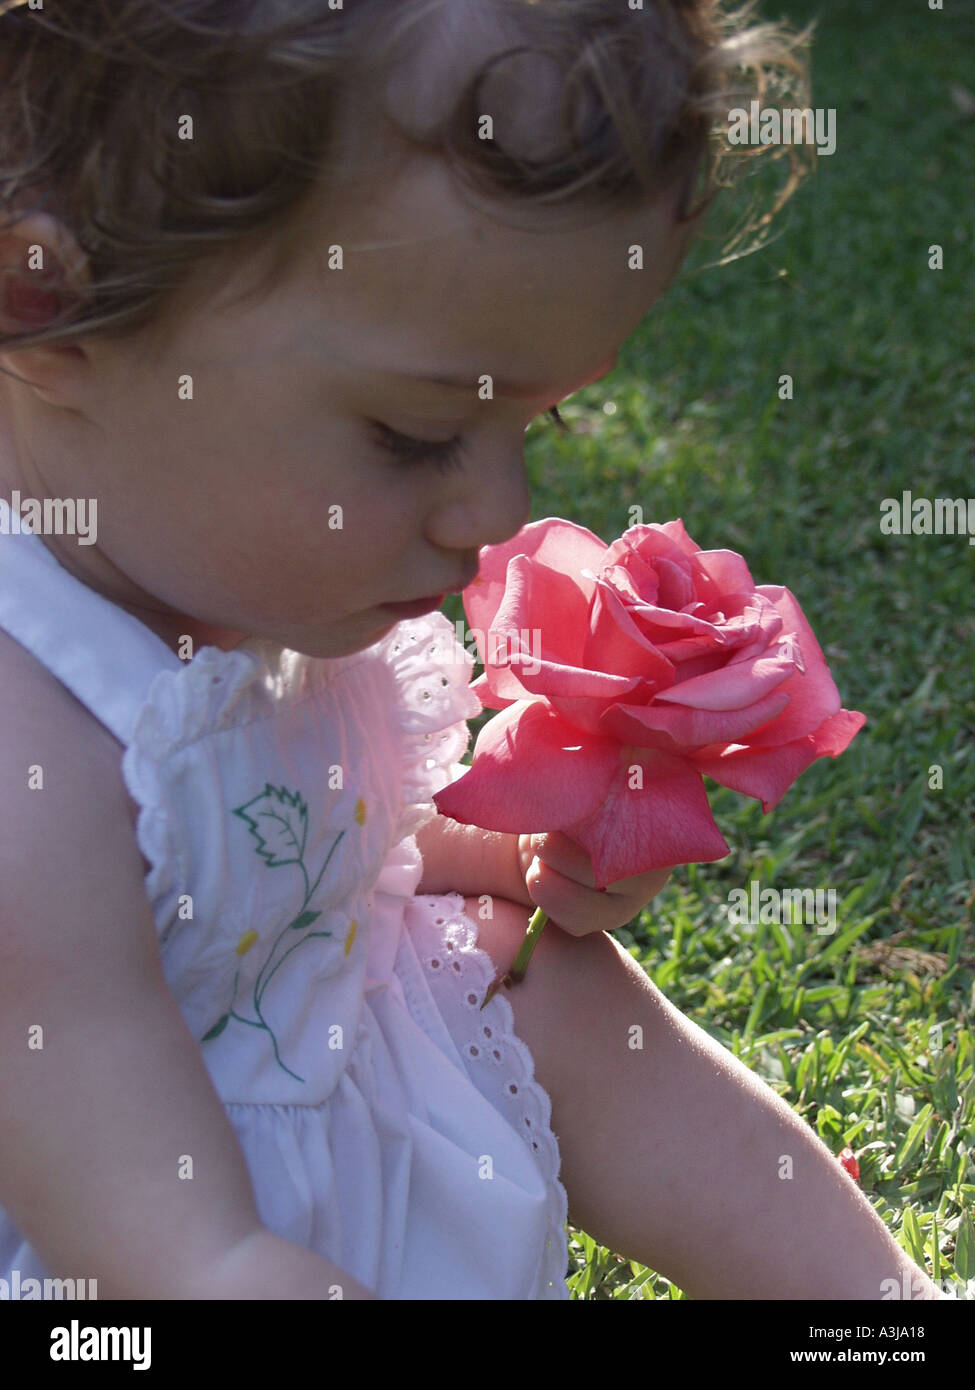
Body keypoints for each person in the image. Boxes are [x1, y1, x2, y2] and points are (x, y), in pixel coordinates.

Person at [0, 0, 941, 1300]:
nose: (500, 513)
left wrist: (521, 850)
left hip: (298, 1055)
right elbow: (85, 1089)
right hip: (118, 1237)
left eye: (535, 423)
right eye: (415, 434)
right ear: (53, 309)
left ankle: (875, 1305)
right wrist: (223, 1266)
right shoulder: (27, 735)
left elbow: (300, 861)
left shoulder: (254, 576)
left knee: (527, 962)